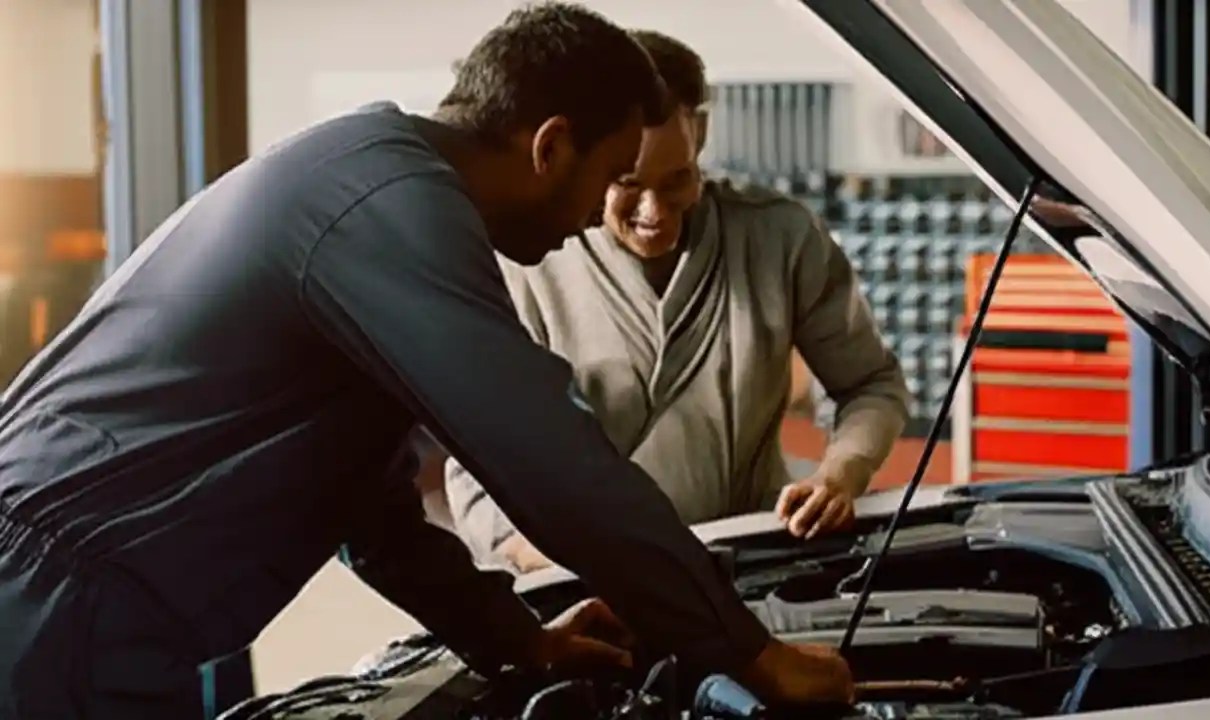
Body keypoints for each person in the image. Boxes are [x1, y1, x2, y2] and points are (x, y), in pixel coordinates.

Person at [0, 4, 853, 718]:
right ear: (548, 146)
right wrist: (749, 655)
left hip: (71, 606)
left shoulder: (371, 185)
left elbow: (373, 517)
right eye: (608, 178)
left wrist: (516, 639)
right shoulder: (390, 207)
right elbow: (551, 464)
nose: (601, 216)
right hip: (47, 604)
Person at [447, 30, 908, 574]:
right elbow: (472, 455)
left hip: (757, 564)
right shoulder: (527, 263)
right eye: (626, 183)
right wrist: (523, 550)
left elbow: (872, 386)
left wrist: (840, 474)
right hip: (596, 581)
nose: (654, 212)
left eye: (677, 180)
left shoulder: (778, 237)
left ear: (702, 134)